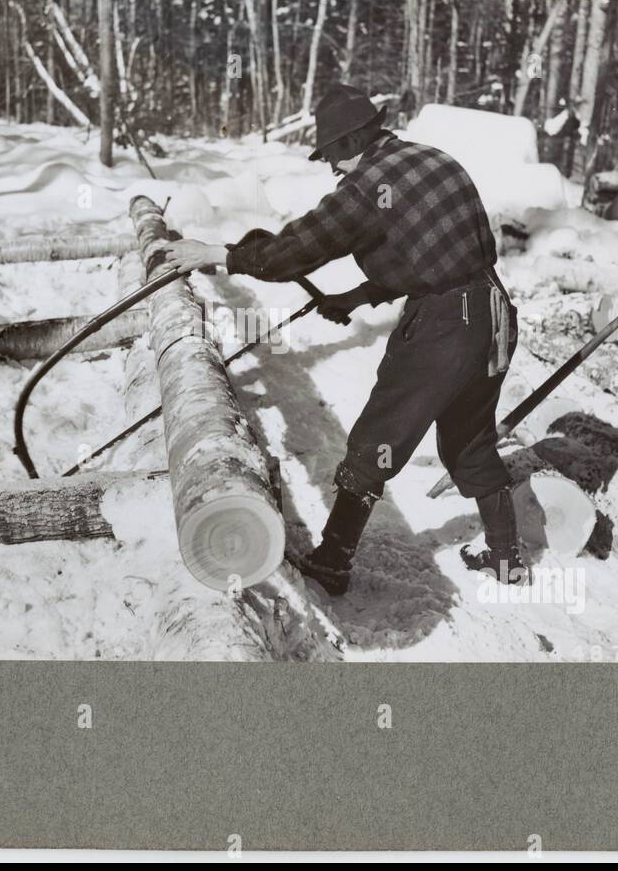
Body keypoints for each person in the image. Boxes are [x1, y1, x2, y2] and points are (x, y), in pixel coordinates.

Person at [155, 83, 524, 597]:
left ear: (351, 141)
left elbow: (294, 251)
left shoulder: (366, 187)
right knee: (469, 439)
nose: (331, 167)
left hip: (444, 326)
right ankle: (508, 557)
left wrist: (217, 253)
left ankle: (333, 559)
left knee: (376, 441)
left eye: (331, 154)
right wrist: (355, 297)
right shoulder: (432, 160)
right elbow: (436, 256)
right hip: (490, 314)